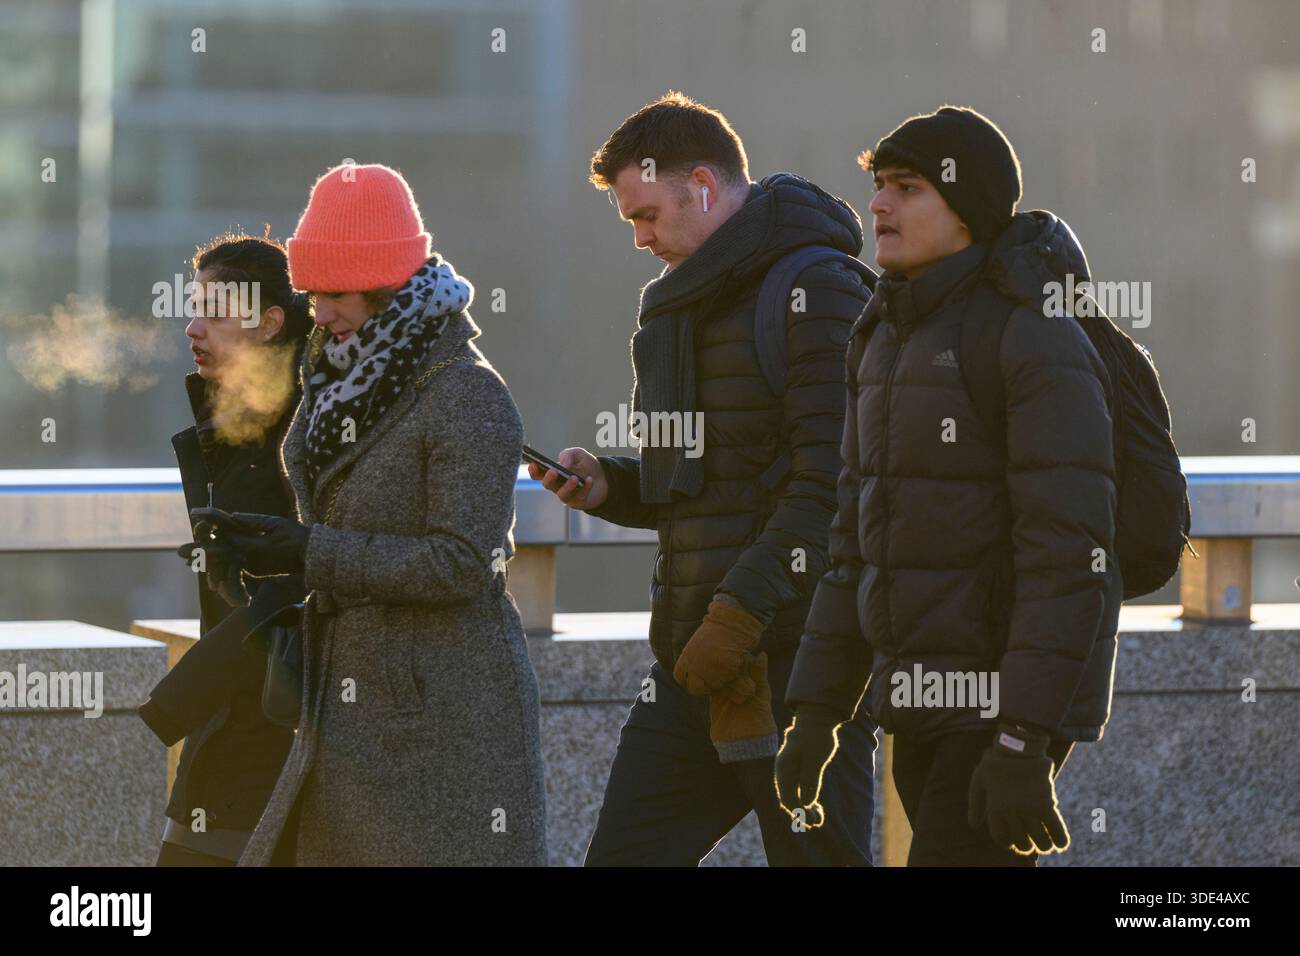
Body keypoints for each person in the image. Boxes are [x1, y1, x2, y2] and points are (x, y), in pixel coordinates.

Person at [529, 92, 877, 866]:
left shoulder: (818, 289)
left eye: (646, 215)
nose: (640, 239)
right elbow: (703, 487)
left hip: (799, 669)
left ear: (704, 184)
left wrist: (739, 613)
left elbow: (837, 485)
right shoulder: (677, 308)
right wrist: (608, 485)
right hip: (691, 667)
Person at [776, 106, 1122, 866]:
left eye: (906, 188)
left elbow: (1068, 556)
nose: (878, 205)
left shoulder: (1031, 334)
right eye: (878, 185)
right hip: (920, 697)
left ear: (966, 211)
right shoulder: (883, 332)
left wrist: (1023, 735)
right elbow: (853, 541)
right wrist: (815, 712)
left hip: (998, 706)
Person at [202, 163, 547, 866]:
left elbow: (460, 563)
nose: (317, 312)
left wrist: (311, 550)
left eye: (331, 293)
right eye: (310, 292)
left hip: (437, 718)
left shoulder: (466, 395)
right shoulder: (337, 380)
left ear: (386, 287)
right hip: (349, 708)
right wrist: (267, 551)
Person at [138, 234, 311, 867]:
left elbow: (306, 582)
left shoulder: (303, 433)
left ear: (269, 323)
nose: (192, 328)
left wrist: (188, 690)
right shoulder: (239, 427)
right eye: (194, 308)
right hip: (235, 718)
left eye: (214, 311)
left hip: (272, 725)